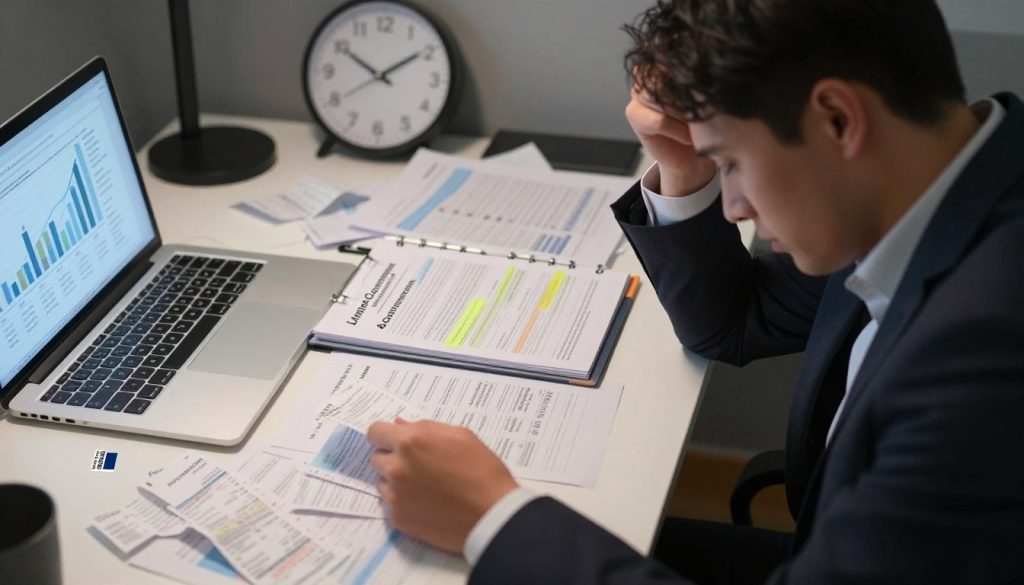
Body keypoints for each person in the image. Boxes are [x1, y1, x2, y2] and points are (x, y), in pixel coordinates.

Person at [367, 0, 1024, 582]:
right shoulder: (932, 192)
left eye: (731, 163)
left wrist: (492, 518)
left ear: (836, 120)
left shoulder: (985, 353)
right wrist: (686, 164)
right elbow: (732, 323)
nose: (733, 206)